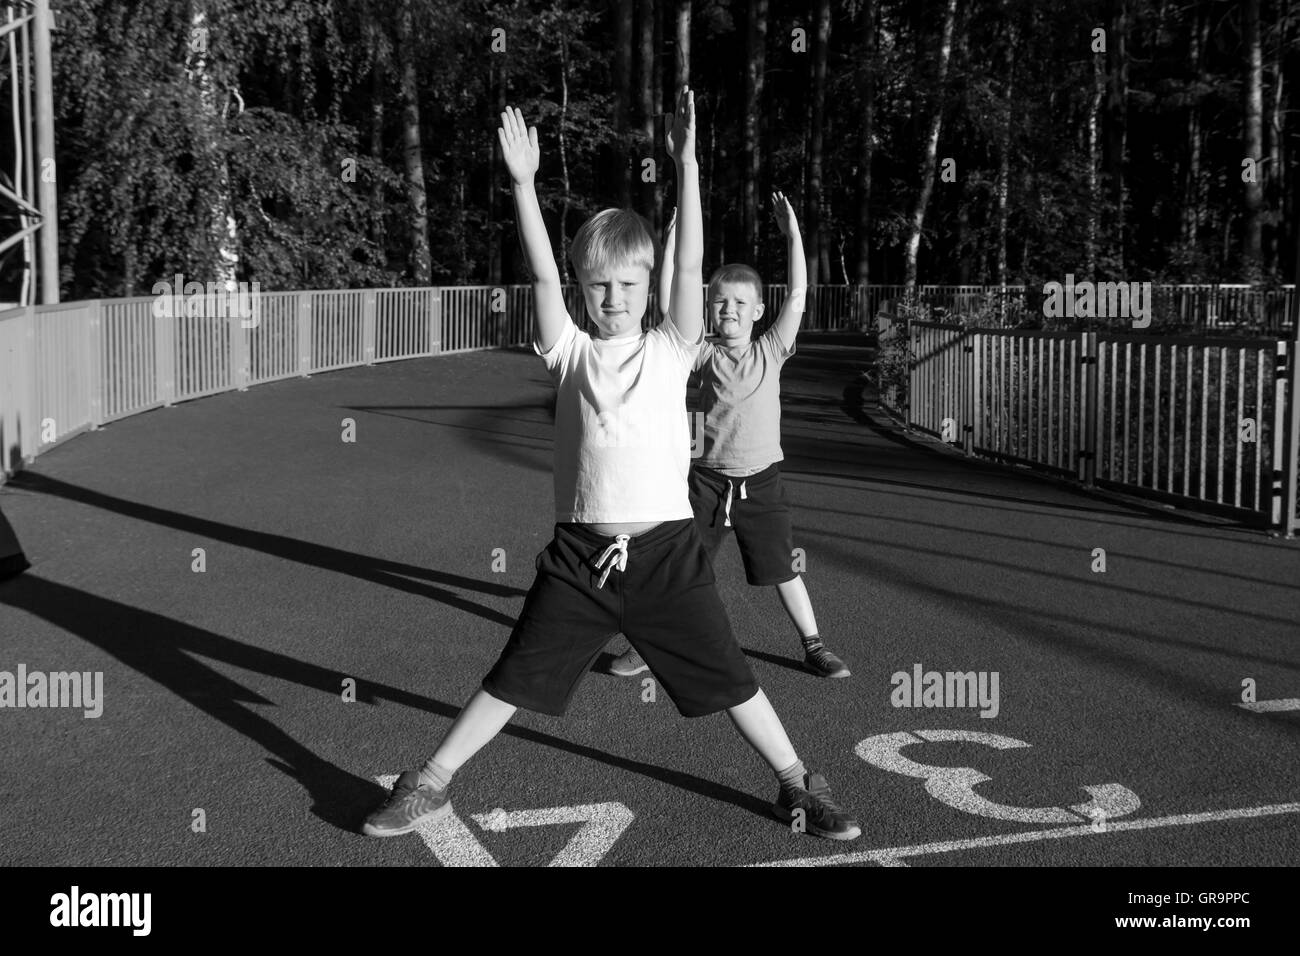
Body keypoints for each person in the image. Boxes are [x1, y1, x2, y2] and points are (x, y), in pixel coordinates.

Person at [361, 92, 861, 842]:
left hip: (667, 554)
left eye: (629, 286)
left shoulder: (672, 347)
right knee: (511, 677)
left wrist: (689, 165)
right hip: (580, 559)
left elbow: (690, 259)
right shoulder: (569, 353)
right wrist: (525, 187)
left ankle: (798, 785)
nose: (614, 298)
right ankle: (429, 783)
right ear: (582, 288)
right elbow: (539, 277)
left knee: (732, 678)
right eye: (598, 286)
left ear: (649, 285)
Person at [610, 192, 850, 680]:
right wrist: (674, 239)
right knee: (678, 565)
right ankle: (647, 645)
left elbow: (799, 295)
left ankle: (814, 645)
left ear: (759, 310)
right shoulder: (701, 354)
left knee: (783, 569)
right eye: (720, 302)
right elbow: (667, 300)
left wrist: (793, 235)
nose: (729, 310)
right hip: (706, 483)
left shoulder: (772, 349)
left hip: (760, 483)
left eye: (741, 302)